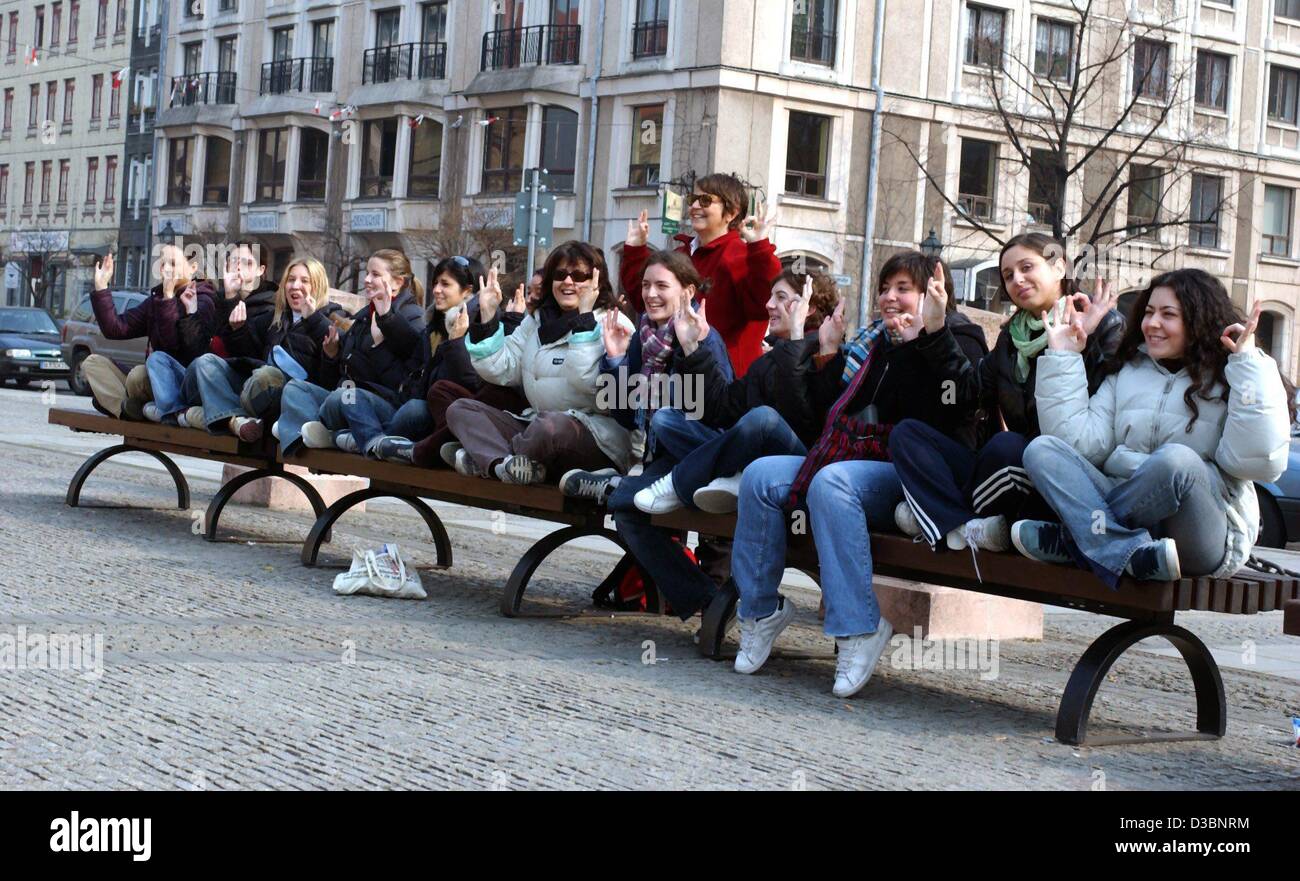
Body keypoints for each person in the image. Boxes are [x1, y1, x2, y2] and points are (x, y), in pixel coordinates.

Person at [729, 250, 988, 698]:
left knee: (833, 484)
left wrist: (928, 338)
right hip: (858, 459)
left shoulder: (959, 336)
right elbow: (822, 423)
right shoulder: (876, 343)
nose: (890, 298)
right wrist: (826, 352)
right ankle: (761, 609)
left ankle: (858, 628)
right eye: (885, 288)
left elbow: (950, 413)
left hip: (916, 478)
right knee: (760, 475)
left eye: (902, 289)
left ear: (933, 292)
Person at [1011, 269, 1292, 586]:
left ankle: (1076, 540)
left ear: (1199, 319)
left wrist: (1248, 366)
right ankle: (1112, 546)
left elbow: (1258, 462)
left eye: (1168, 314)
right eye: (1148, 312)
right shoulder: (1127, 371)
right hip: (1129, 519)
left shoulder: (1233, 375)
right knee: (1042, 450)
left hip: (1198, 533)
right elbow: (1082, 446)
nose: (1152, 323)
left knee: (1176, 460)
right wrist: (1063, 358)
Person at [889, 233, 1125, 553]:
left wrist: (1081, 345)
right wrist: (936, 328)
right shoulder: (1012, 338)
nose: (1017, 280)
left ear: (1059, 268)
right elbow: (966, 394)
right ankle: (962, 525)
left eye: (1027, 267)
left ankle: (936, 515)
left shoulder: (1101, 323)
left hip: (1055, 476)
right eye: (1008, 275)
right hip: (1005, 471)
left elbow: (1105, 415)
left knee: (1009, 445)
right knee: (908, 435)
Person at [592, 250, 733, 620]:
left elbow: (718, 414)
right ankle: (703, 597)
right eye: (645, 285)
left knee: (668, 422)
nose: (651, 294)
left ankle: (711, 597)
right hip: (663, 459)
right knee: (624, 506)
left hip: (705, 459)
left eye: (661, 286)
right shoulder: (644, 337)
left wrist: (690, 351)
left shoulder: (705, 338)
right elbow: (625, 415)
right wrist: (616, 360)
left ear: (687, 291)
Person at [444, 241, 635, 484]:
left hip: (593, 437)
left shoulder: (614, 323)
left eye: (579, 275)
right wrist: (489, 316)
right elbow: (502, 369)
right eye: (559, 274)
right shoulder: (536, 321)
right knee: (461, 409)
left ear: (597, 281)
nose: (568, 282)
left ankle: (483, 457)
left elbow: (590, 385)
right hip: (535, 426)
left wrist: (585, 322)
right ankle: (504, 465)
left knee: (550, 427)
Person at [369, 256, 531, 464]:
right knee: (349, 398)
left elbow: (476, 383)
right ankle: (373, 440)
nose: (436, 289)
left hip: (447, 414)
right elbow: (411, 369)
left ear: (467, 291)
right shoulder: (434, 327)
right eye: (435, 283)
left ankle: (380, 443)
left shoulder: (482, 323)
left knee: (417, 407)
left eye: (445, 284)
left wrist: (456, 344)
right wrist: (384, 323)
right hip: (420, 406)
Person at [619, 173, 781, 377]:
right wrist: (635, 251)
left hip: (725, 381)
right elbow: (645, 303)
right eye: (692, 199)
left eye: (705, 200)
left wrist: (759, 248)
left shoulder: (741, 255)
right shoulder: (681, 254)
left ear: (731, 212)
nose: (694, 206)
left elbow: (763, 305)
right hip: (676, 377)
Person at [277, 249, 425, 454]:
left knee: (348, 395)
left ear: (398, 282)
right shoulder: (365, 316)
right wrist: (331, 354)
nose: (367, 280)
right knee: (296, 389)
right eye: (367, 273)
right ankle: (315, 437)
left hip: (381, 405)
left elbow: (405, 378)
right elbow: (341, 367)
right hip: (346, 398)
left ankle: (369, 442)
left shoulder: (413, 316)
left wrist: (380, 342)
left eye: (375, 274)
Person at [185, 256, 334, 441]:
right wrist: (236, 324)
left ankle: (209, 415)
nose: (295, 286)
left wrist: (313, 319)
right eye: (290, 279)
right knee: (206, 362)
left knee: (266, 376)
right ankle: (237, 422)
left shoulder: (331, 317)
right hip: (254, 387)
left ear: (317, 285)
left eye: (304, 281)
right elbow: (245, 353)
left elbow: (330, 379)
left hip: (288, 397)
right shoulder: (276, 317)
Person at [81, 248, 216, 420]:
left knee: (138, 376)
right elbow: (116, 328)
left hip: (178, 386)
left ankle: (128, 405)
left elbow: (172, 349)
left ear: (192, 267)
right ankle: (127, 410)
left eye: (173, 263)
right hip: (149, 382)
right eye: (162, 263)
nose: (166, 269)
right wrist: (101, 288)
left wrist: (168, 299)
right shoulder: (156, 300)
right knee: (92, 363)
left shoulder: (204, 298)